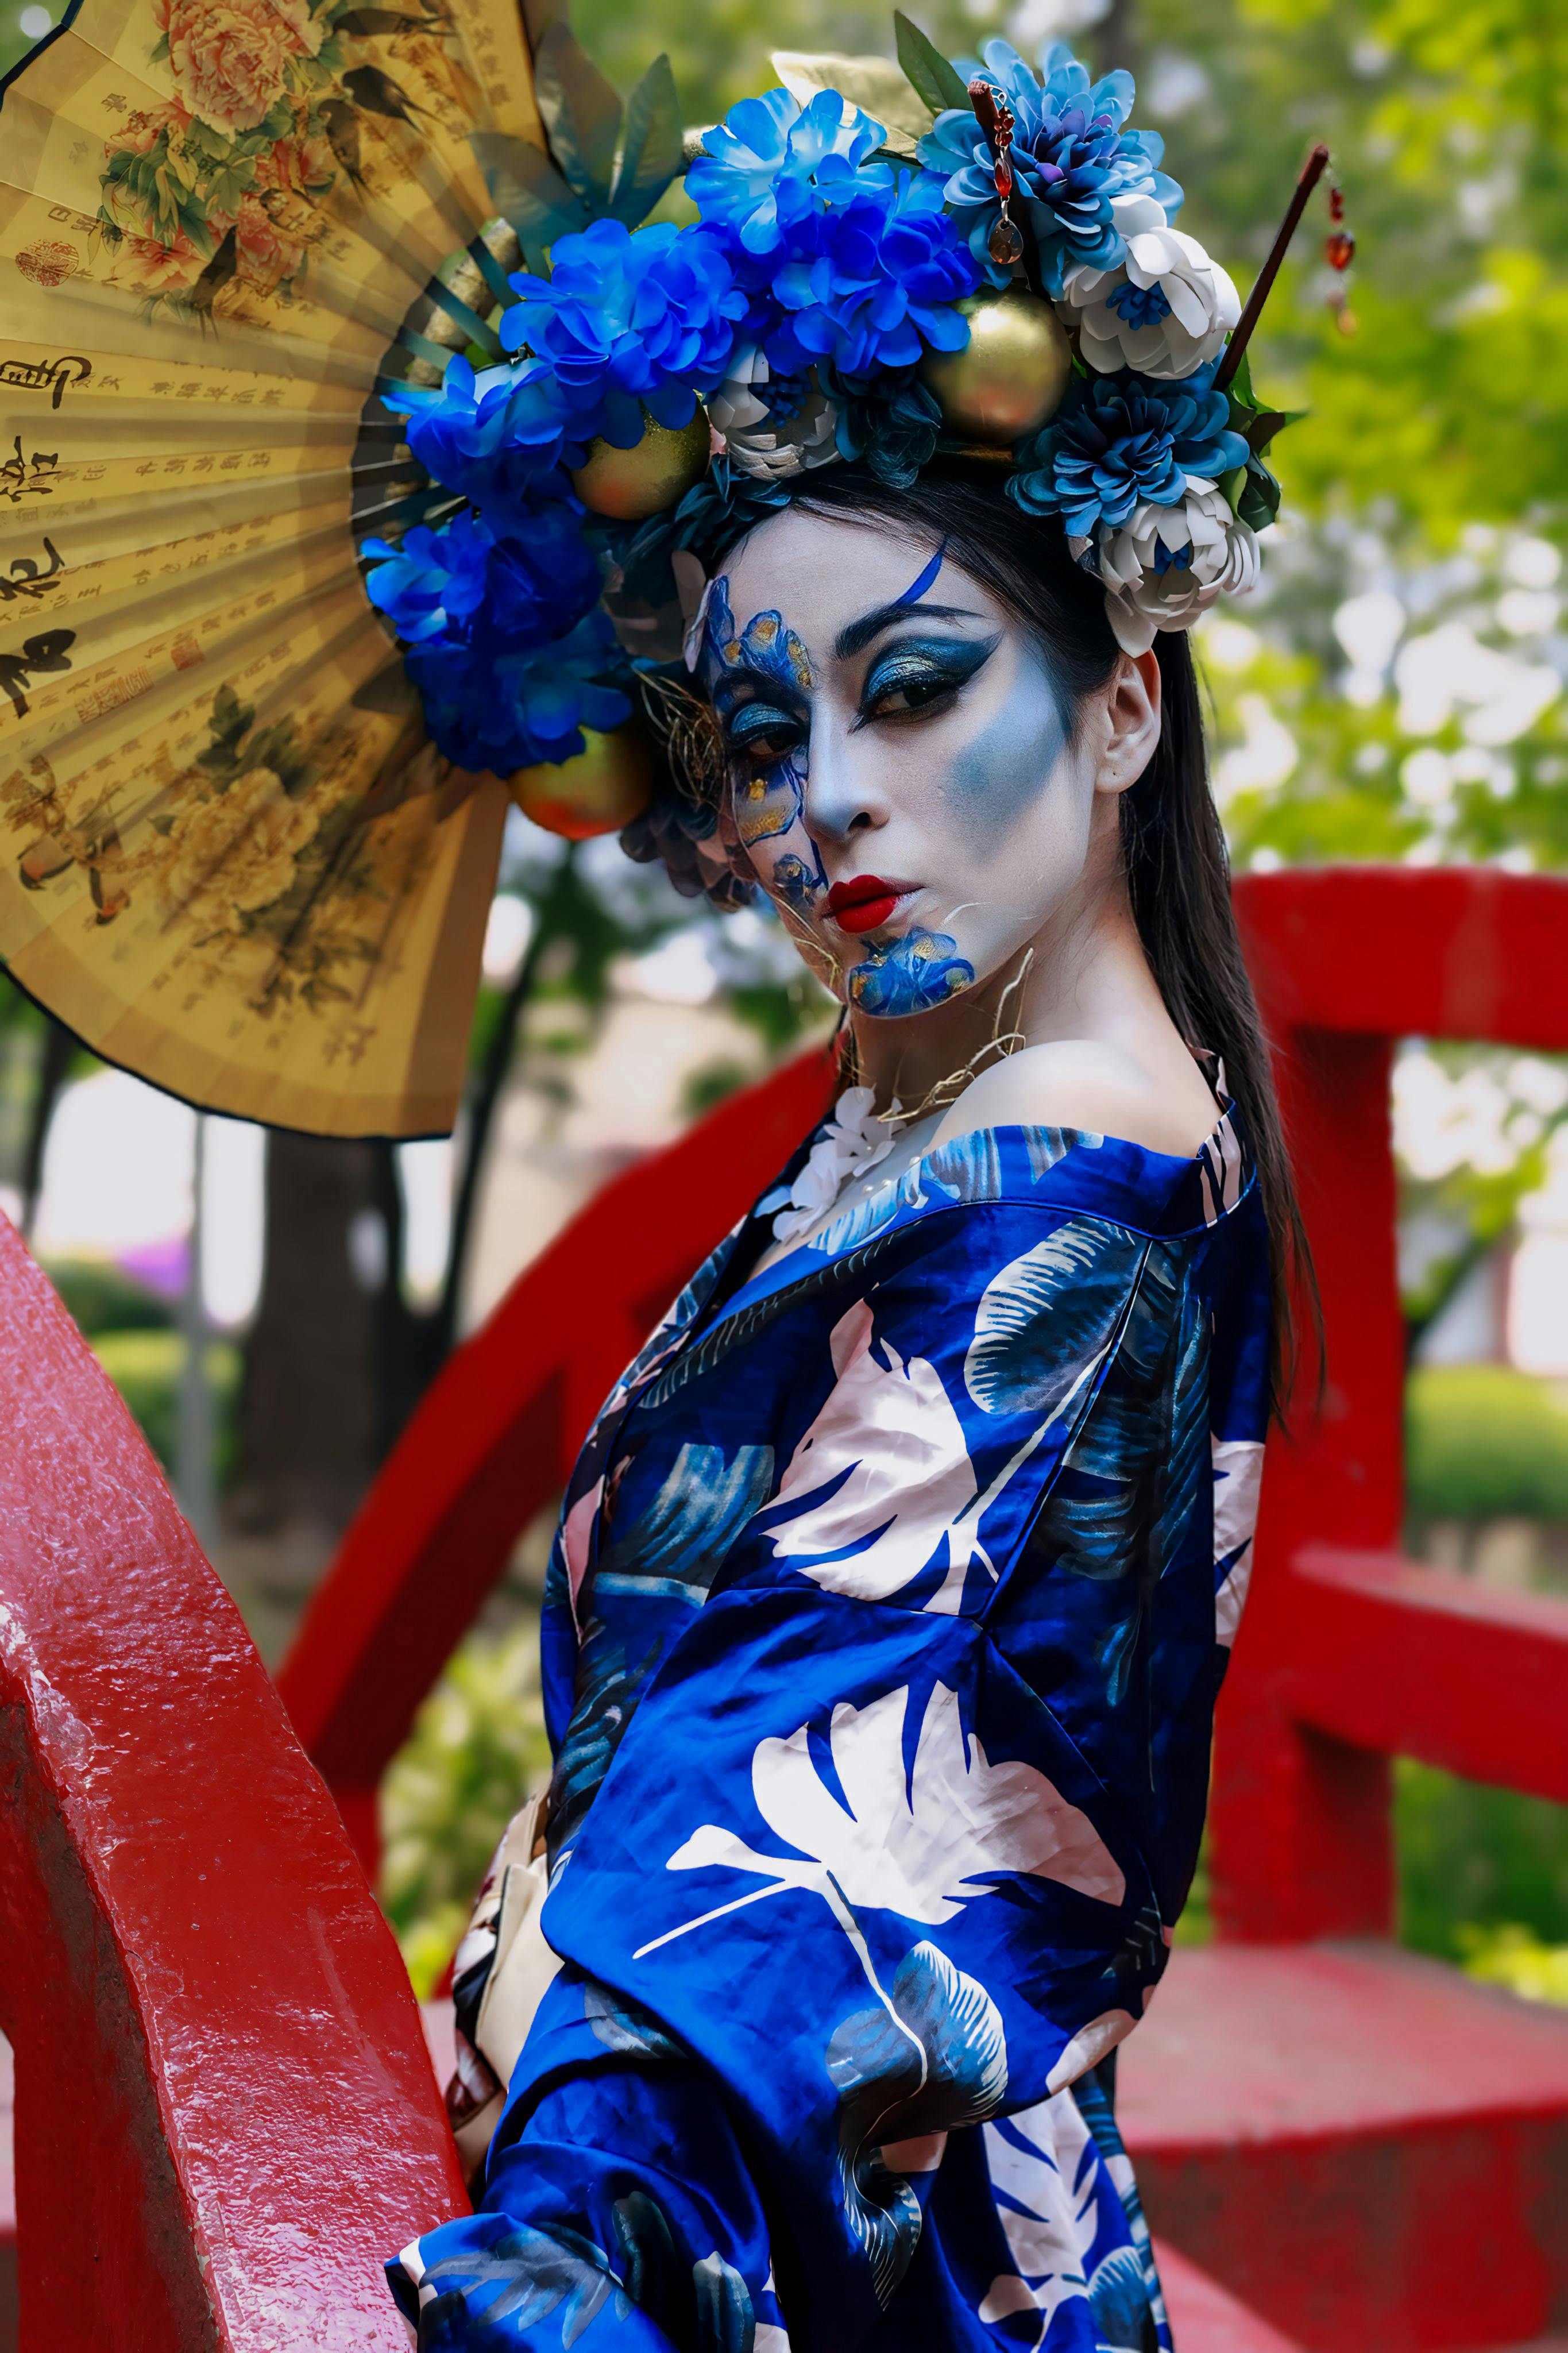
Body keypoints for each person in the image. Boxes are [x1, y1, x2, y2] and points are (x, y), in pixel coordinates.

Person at [379, 37, 1314, 2353]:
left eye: (912, 688)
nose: (825, 811)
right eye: (762, 736)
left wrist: (579, 2197)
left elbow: (809, 1820)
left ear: (1117, 704)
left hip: (832, 2246)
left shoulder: (1058, 1216)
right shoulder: (944, 1100)